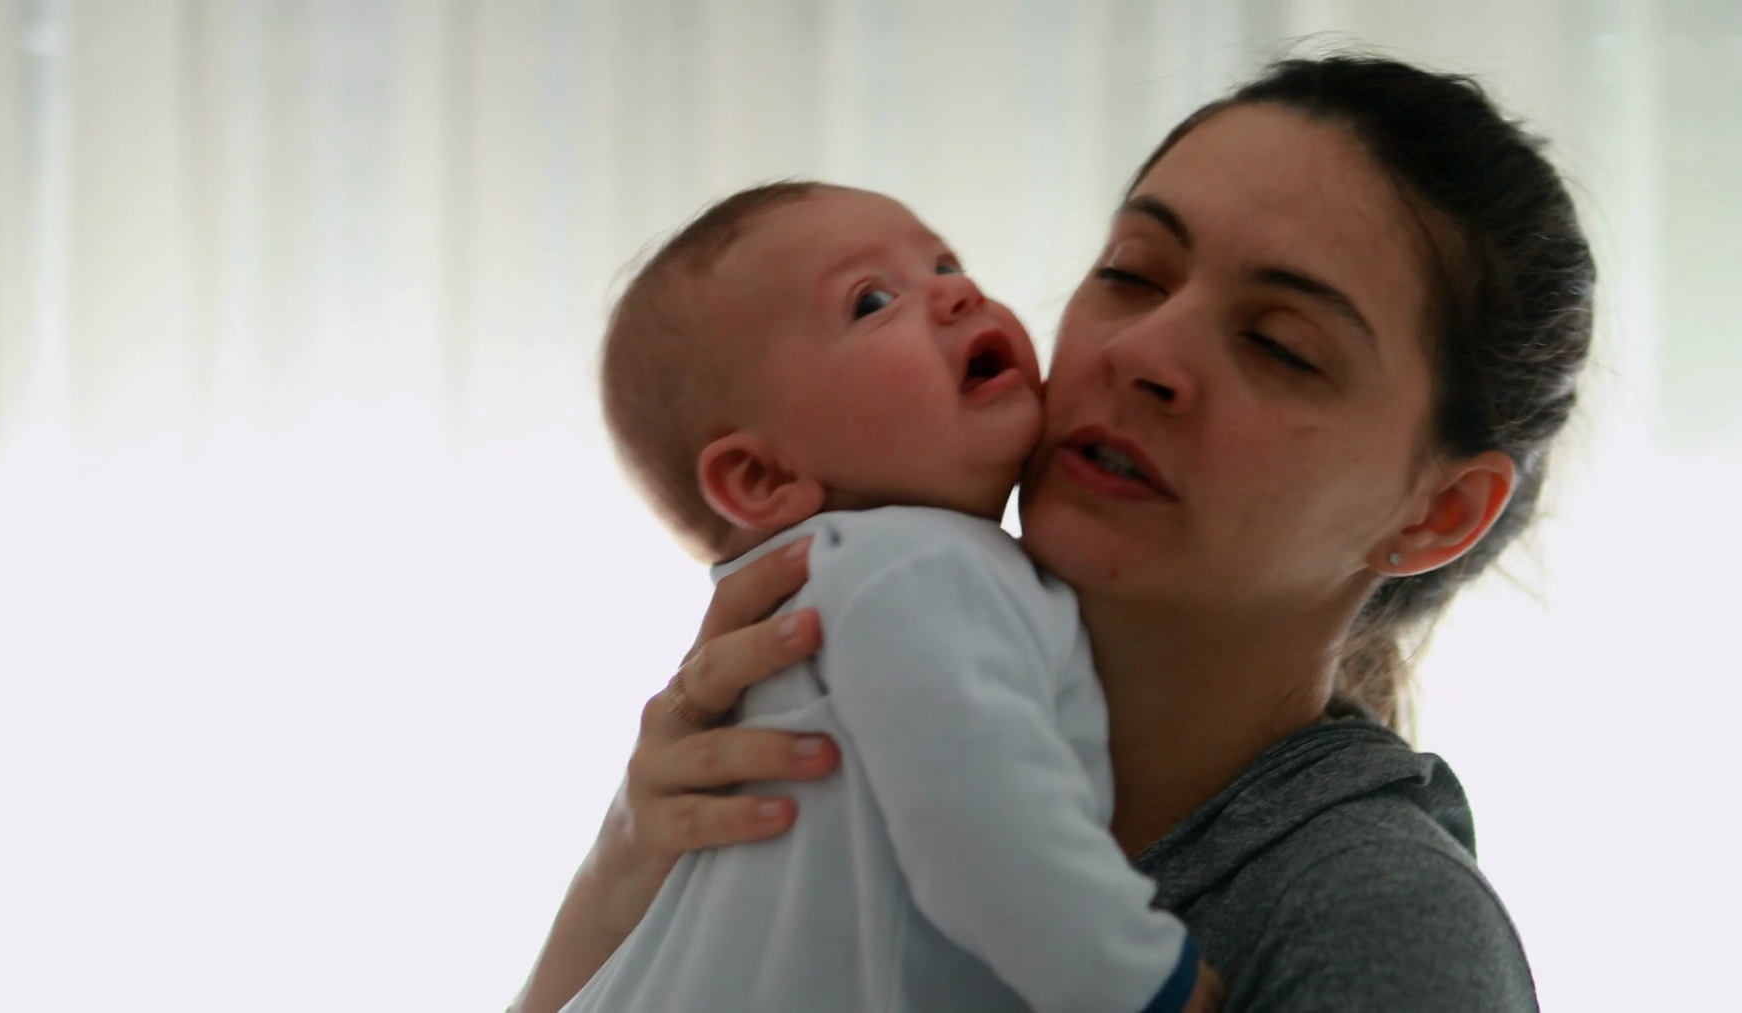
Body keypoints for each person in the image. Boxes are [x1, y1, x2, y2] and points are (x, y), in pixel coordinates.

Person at [512, 54, 1594, 1013]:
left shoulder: (1374, 924)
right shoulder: (780, 756)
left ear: (1435, 511)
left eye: (1280, 342)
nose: (1145, 352)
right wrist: (626, 873)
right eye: (1130, 273)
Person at [567, 181, 1218, 1013]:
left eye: (945, 262)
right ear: (762, 476)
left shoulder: (850, 589)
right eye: (872, 301)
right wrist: (1144, 980)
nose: (956, 292)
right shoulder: (909, 565)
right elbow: (987, 828)